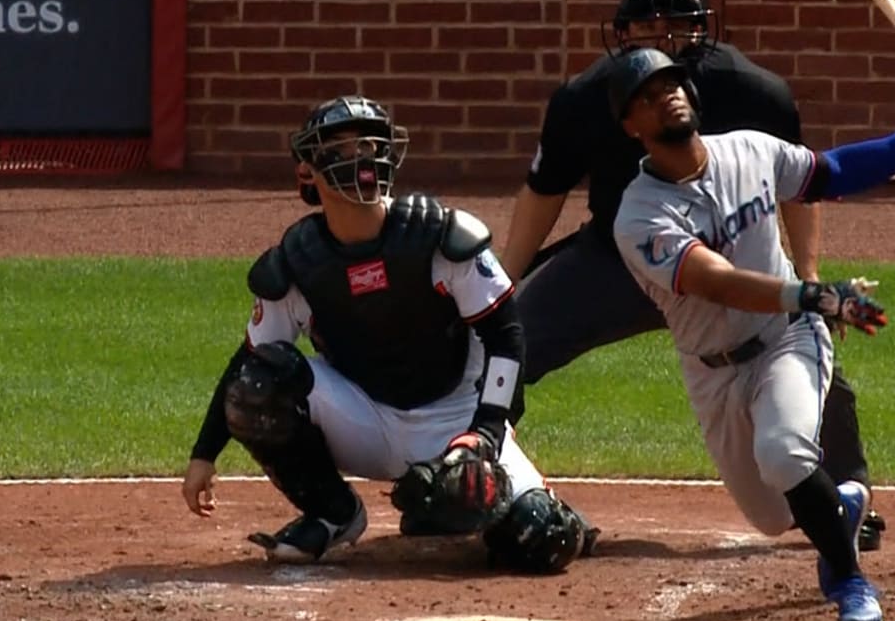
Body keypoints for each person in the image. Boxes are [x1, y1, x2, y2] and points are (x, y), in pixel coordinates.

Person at [502, 0, 885, 550]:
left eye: (677, 23)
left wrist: (808, 279)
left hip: (738, 257)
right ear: (622, 34)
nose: (663, 34)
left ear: (700, 32)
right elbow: (544, 191)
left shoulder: (752, 90)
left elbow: (800, 187)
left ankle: (841, 496)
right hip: (619, 260)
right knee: (509, 343)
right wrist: (504, 284)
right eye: (647, 24)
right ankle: (485, 480)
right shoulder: (587, 97)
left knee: (805, 355)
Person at [608, 46, 895, 621]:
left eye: (671, 86)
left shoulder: (751, 150)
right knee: (773, 517)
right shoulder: (638, 217)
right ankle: (843, 506)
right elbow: (716, 282)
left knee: (784, 454)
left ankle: (848, 580)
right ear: (632, 126)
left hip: (786, 339)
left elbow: (831, 174)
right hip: (713, 372)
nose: (667, 99)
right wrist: (813, 294)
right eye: (648, 98)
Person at [181, 95, 594, 575]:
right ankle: (332, 513)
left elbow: (507, 336)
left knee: (544, 538)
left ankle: (472, 506)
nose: (358, 158)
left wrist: (485, 432)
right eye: (340, 148)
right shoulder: (298, 263)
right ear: (306, 171)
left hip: (456, 419)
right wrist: (204, 454)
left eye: (368, 145)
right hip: (362, 417)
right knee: (258, 381)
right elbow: (248, 361)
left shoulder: (438, 236)